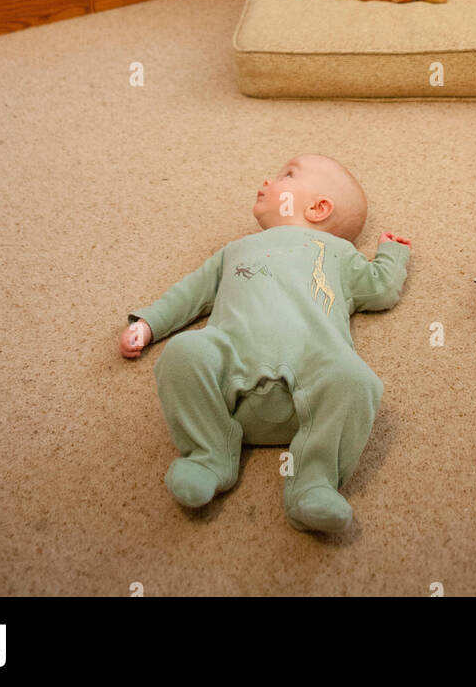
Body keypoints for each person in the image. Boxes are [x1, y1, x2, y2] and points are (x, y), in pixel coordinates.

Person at [120, 154, 411, 532]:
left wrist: (393, 253)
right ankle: (209, 455)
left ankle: (314, 481)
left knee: (357, 380)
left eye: (286, 175)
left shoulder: (338, 253)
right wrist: (150, 322)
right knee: (184, 353)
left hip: (311, 390)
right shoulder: (235, 250)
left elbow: (380, 289)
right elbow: (190, 294)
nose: (266, 181)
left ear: (318, 207)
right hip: (225, 386)